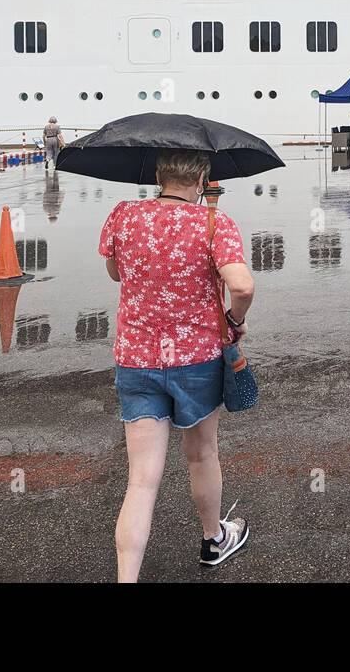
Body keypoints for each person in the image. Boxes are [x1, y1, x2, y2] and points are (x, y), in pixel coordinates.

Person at [99, 151, 255, 582]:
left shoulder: (123, 215)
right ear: (203, 176)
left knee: (141, 482)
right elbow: (241, 284)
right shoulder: (213, 222)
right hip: (197, 360)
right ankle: (213, 540)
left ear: (156, 174)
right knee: (201, 454)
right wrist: (234, 320)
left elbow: (116, 272)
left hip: (136, 359)